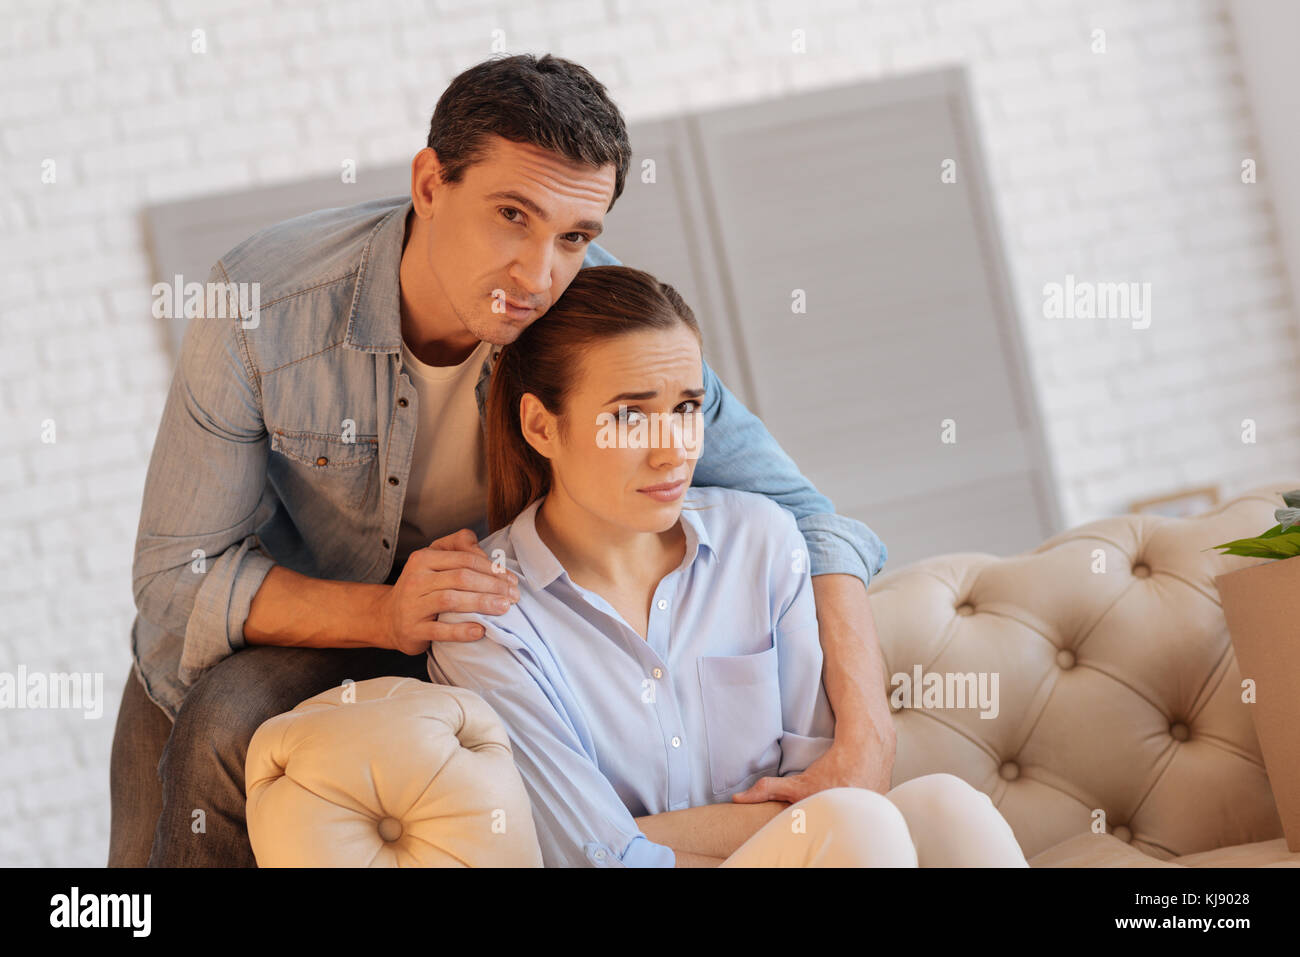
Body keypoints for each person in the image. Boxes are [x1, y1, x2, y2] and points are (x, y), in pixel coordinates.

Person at [113, 52, 894, 867]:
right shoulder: (261, 308)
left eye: (574, 236)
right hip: (304, 617)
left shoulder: (590, 319)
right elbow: (175, 574)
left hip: (481, 632)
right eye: (513, 215)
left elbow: (807, 518)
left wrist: (867, 736)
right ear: (429, 184)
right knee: (204, 753)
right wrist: (385, 613)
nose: (539, 274)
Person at [428, 266, 1029, 867]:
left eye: (686, 408)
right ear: (541, 426)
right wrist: (633, 839)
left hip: (817, 850)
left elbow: (824, 791)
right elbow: (594, 857)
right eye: (630, 416)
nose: (673, 451)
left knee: (948, 805)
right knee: (858, 820)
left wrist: (635, 831)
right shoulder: (484, 614)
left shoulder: (760, 539)